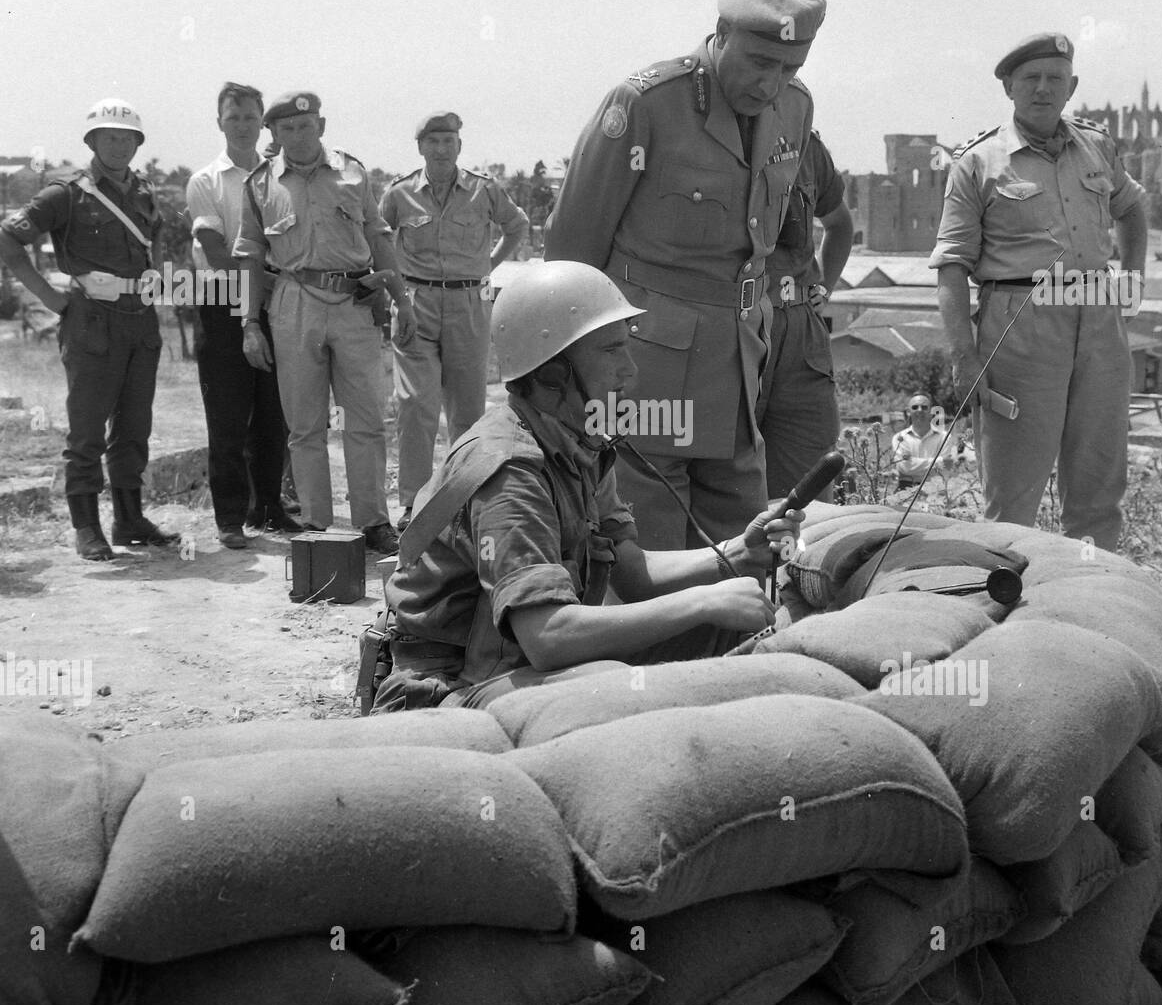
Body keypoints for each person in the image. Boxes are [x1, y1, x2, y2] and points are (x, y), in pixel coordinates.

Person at [374, 261, 801, 713]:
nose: (629, 370)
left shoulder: (578, 439)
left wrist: (734, 553)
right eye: (611, 351)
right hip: (444, 690)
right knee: (610, 686)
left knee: (728, 629)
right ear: (554, 369)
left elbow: (632, 575)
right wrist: (700, 602)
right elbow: (547, 636)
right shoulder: (510, 470)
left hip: (513, 669)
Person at [545, 0, 826, 550]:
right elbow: (572, 251)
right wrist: (576, 374)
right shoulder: (646, 103)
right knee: (647, 542)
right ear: (720, 33)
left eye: (788, 68)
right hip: (645, 369)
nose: (770, 83)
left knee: (741, 542)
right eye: (757, 61)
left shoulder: (795, 109)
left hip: (741, 362)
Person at [931, 32, 1147, 552]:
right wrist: (964, 358)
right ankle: (1007, 600)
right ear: (1009, 87)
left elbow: (1133, 209)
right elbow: (952, 266)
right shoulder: (978, 162)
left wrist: (1132, 285)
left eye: (1055, 79)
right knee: (1014, 487)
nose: (1043, 89)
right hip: (1019, 322)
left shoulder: (1097, 145)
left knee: (1099, 476)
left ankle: (1087, 593)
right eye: (1031, 79)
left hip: (1097, 317)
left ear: (1071, 87)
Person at [233, 91, 416, 555]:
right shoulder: (259, 185)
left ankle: (373, 522)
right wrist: (249, 323)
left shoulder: (352, 172)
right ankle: (316, 526)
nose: (298, 135)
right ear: (273, 133)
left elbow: (379, 235)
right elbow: (250, 256)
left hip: (354, 303)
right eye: (287, 128)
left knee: (367, 419)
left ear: (322, 126)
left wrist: (402, 301)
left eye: (306, 125)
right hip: (293, 302)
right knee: (305, 425)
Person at [0, 98, 178, 559]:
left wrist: (156, 273)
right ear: (92, 141)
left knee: (135, 425)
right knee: (87, 430)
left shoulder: (143, 191)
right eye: (109, 136)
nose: (119, 145)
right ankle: (86, 527)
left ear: (138, 143)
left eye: (127, 137)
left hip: (140, 319)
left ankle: (129, 518)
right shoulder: (65, 193)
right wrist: (50, 298)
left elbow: (154, 237)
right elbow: (9, 239)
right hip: (91, 321)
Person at [378, 111, 530, 529]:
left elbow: (518, 227)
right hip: (416, 303)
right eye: (433, 142)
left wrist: (489, 266)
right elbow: (378, 243)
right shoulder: (398, 194)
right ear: (421, 147)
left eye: (449, 141)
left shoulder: (484, 191)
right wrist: (394, 294)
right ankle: (413, 504)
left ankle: (463, 500)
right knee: (415, 405)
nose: (441, 149)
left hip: (470, 302)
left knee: (468, 409)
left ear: (459, 146)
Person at [185, 82, 299, 548]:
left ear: (263, 123)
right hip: (223, 305)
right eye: (234, 118)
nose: (243, 126)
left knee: (275, 414)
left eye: (252, 117)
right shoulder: (206, 181)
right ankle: (230, 517)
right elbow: (214, 251)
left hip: (278, 307)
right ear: (220, 123)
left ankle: (268, 507)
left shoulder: (283, 177)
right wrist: (264, 281)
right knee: (229, 416)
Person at [756, 129, 854, 499]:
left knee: (809, 494)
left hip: (799, 335)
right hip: (734, 330)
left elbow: (840, 223)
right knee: (724, 491)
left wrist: (824, 288)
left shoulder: (805, 143)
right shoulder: (708, 134)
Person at [890, 394, 957, 490]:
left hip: (936, 489)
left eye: (924, 407)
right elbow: (904, 467)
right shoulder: (899, 438)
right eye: (915, 407)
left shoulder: (945, 437)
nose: (919, 410)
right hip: (905, 489)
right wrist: (938, 461)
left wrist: (914, 464)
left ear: (931, 411)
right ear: (908, 412)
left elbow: (947, 467)